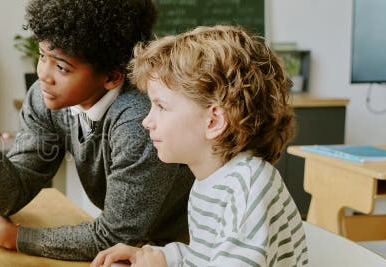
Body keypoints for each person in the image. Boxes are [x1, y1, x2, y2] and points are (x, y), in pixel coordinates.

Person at [0, 0, 194, 261]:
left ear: (112, 77)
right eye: (43, 56)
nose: (44, 74)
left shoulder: (140, 120)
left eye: (62, 67)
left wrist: (18, 239)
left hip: (185, 251)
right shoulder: (46, 100)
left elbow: (114, 237)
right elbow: (8, 198)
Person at [91, 25, 308, 267]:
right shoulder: (212, 180)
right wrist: (158, 257)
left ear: (214, 121)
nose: (146, 121)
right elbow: (205, 259)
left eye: (161, 106)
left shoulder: (247, 187)